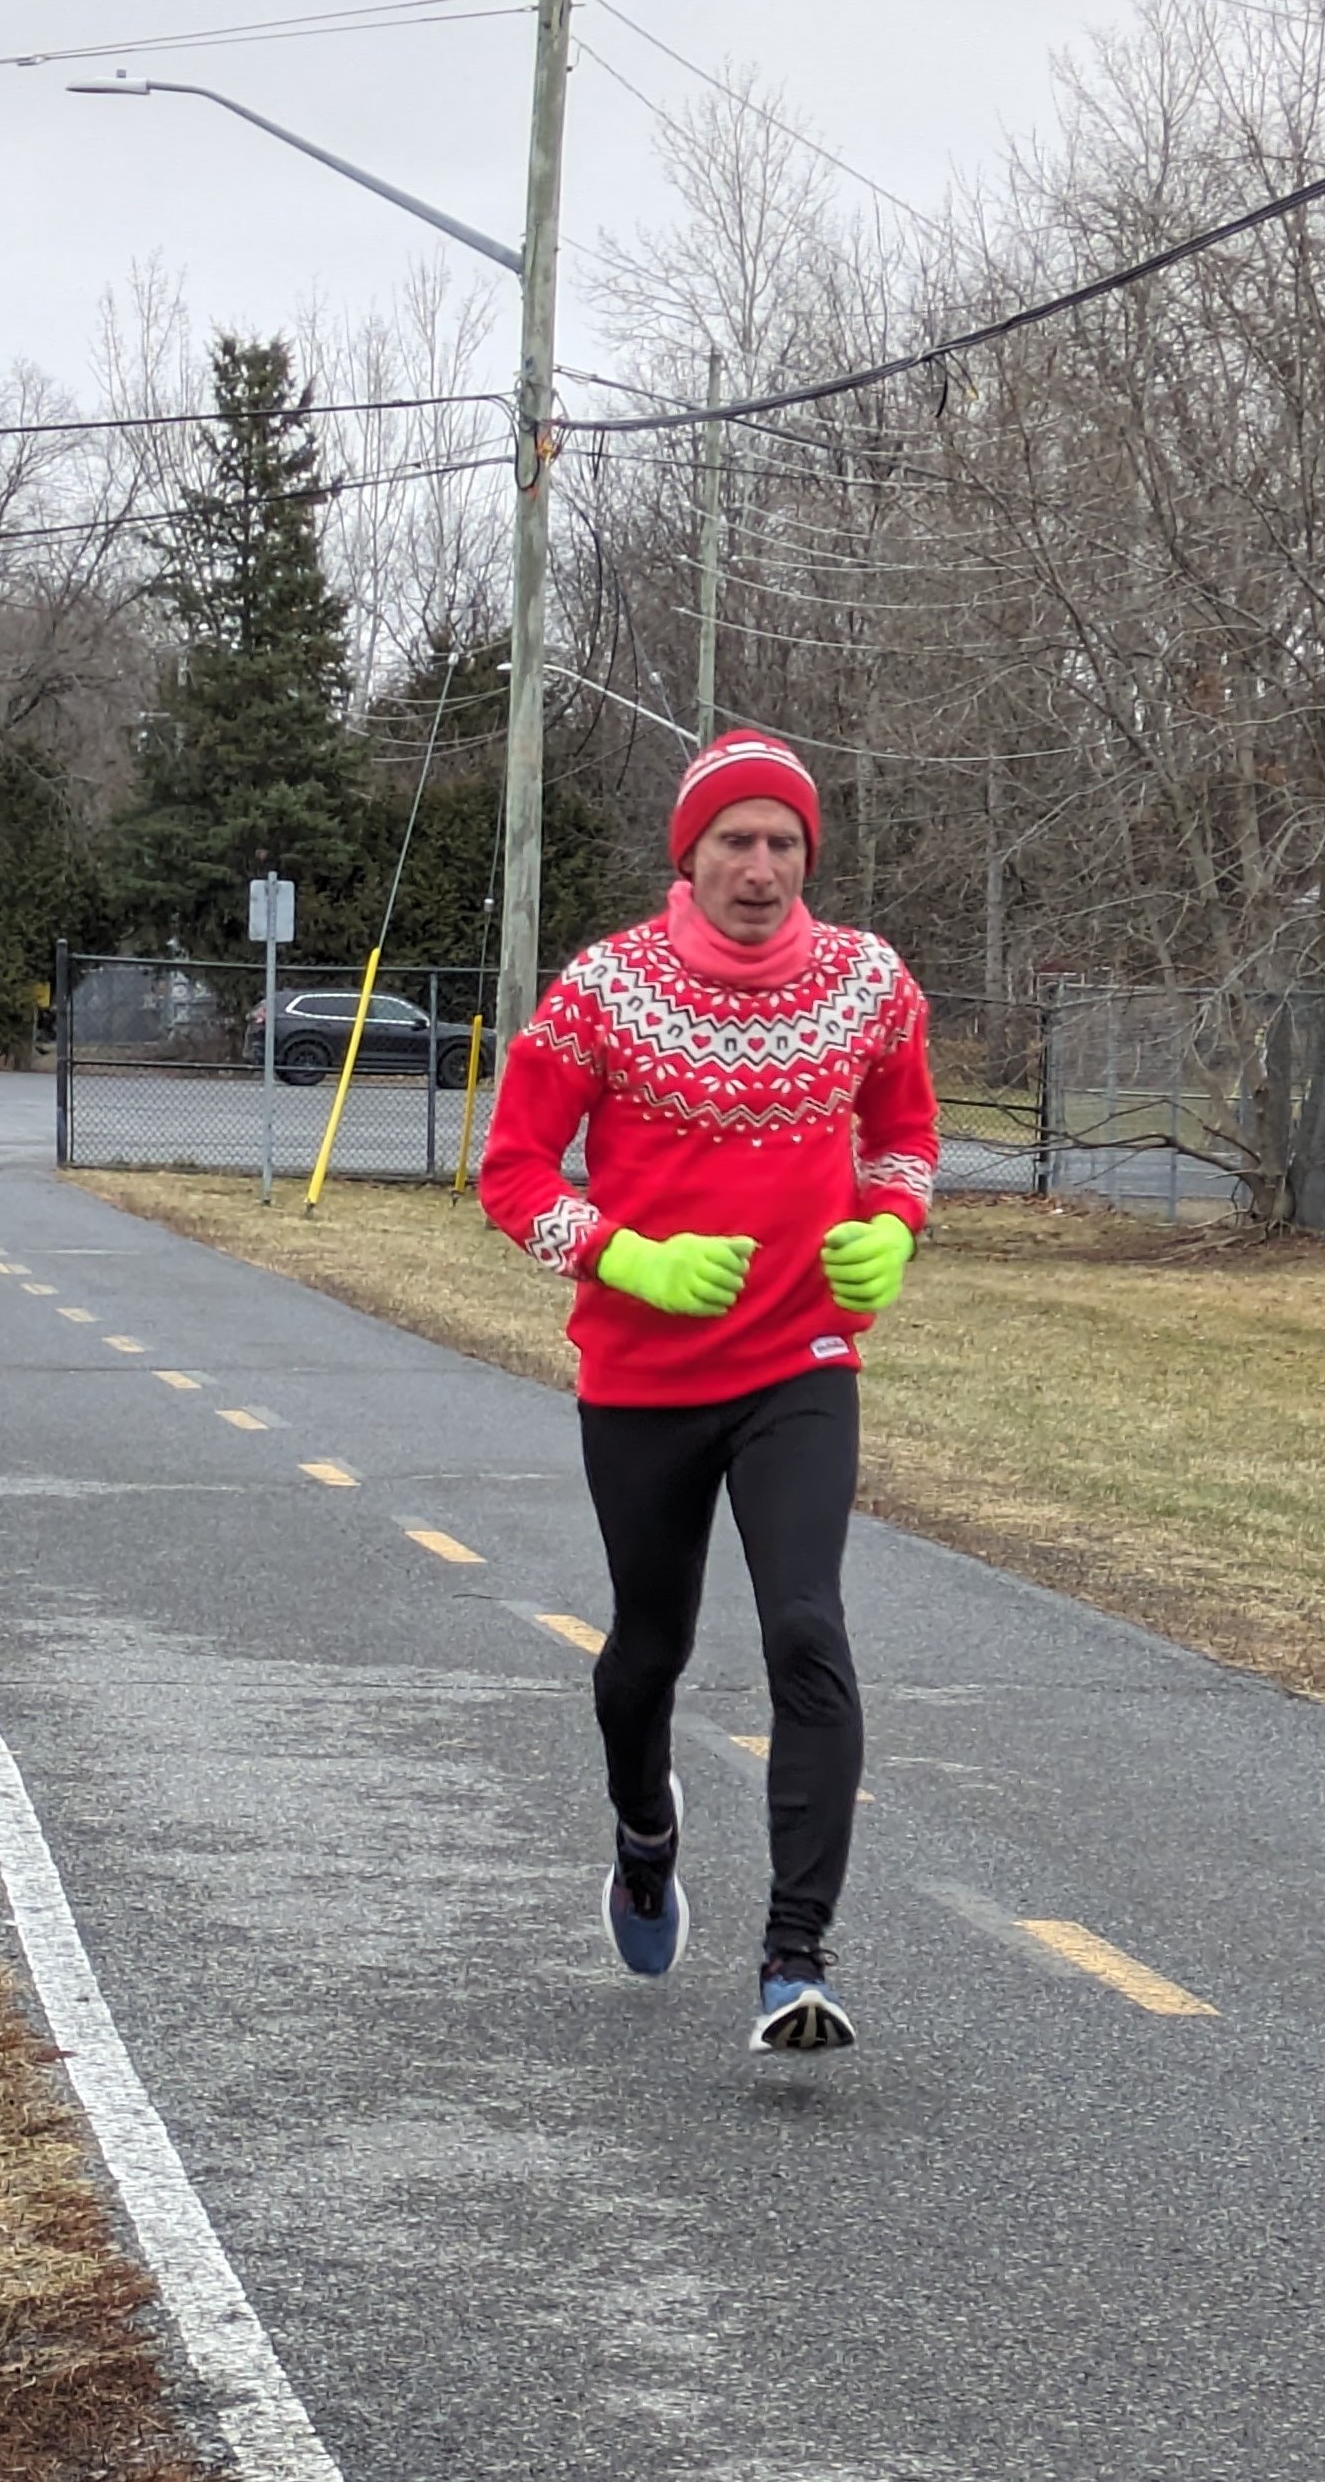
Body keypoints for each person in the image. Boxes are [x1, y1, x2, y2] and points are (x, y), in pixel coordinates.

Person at [477, 730, 937, 2052]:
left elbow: (904, 1136)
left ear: (809, 857)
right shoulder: (602, 992)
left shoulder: (867, 985)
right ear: (688, 854)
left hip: (798, 1359)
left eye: (782, 841)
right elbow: (513, 1174)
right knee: (647, 1655)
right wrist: (626, 1254)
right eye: (733, 839)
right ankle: (642, 1828)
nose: (758, 864)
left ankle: (794, 1958)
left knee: (805, 1627)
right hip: (643, 1376)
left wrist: (891, 1225)